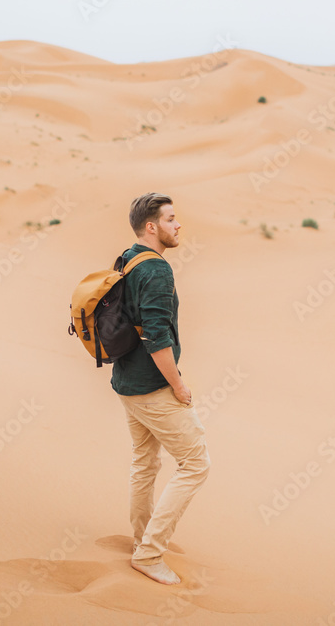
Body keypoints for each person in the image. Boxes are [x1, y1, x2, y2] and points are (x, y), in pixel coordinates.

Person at [110, 192, 210, 585]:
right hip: (152, 387)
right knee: (196, 464)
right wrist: (179, 386)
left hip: (126, 382)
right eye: (170, 219)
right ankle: (149, 554)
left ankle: (142, 540)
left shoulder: (128, 257)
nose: (178, 224)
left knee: (145, 462)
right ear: (151, 227)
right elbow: (156, 337)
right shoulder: (156, 271)